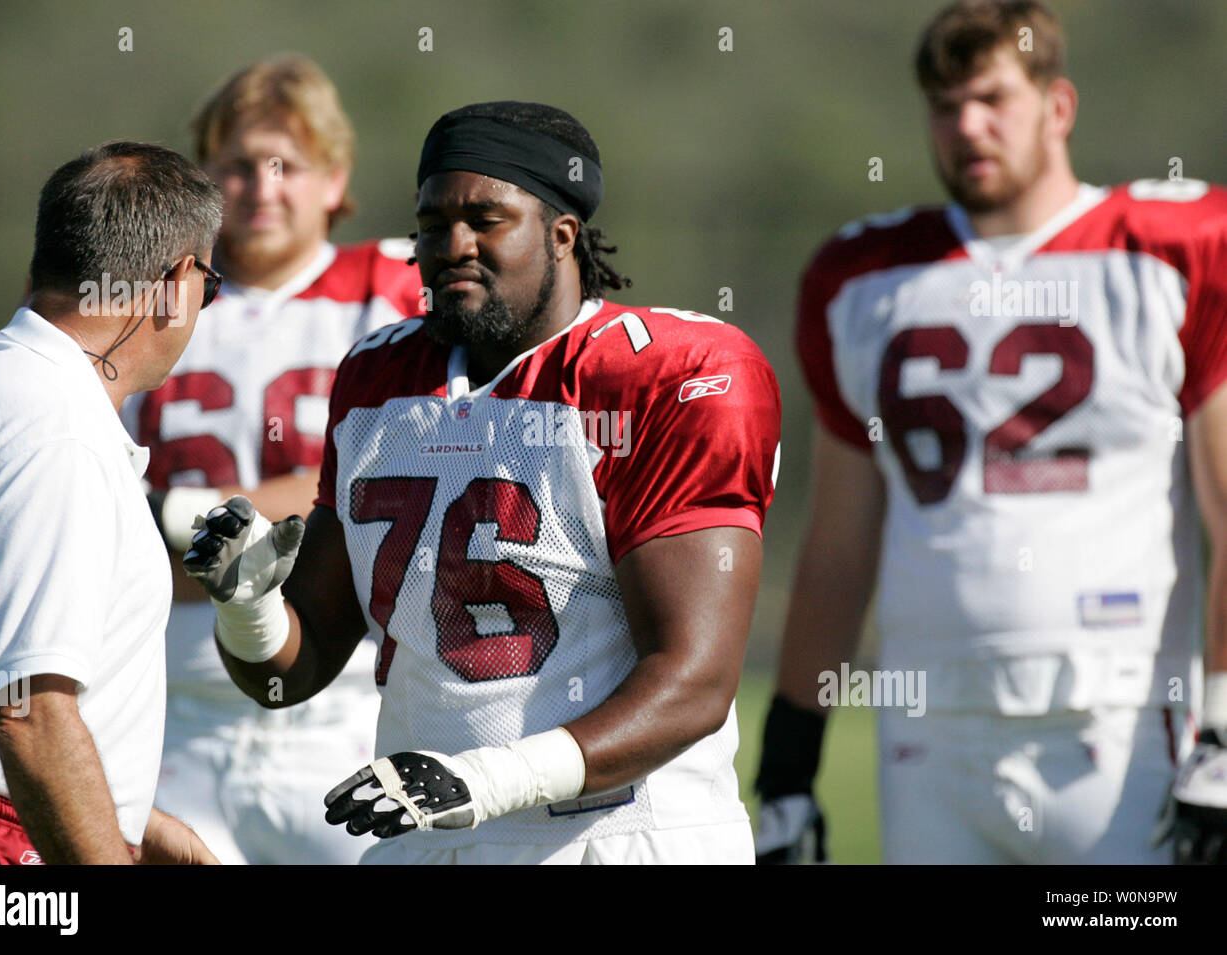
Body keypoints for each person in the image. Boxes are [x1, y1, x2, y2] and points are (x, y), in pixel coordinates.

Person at [180, 100, 782, 864]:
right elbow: (293, 671)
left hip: (622, 835)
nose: (453, 245)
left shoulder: (667, 373)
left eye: (485, 219)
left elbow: (694, 680)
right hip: (428, 833)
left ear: (562, 234)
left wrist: (484, 779)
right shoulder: (377, 377)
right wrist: (247, 603)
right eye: (433, 225)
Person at [755, 0, 1227, 865]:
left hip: (1118, 719)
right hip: (927, 728)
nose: (967, 126)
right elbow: (838, 543)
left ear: (1058, 107)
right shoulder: (865, 280)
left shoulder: (1168, 250)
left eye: (991, 98)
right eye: (943, 105)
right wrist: (789, 762)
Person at [120, 56, 425, 865]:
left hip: (342, 707)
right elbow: (85, 505)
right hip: (170, 712)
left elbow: (364, 501)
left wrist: (174, 523)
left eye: (287, 165)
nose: (261, 187)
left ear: (336, 178)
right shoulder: (149, 300)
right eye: (239, 165)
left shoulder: (394, 287)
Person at [0, 141, 224, 864]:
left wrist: (141, 829)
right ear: (177, 281)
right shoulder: (58, 429)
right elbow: (27, 713)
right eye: (210, 285)